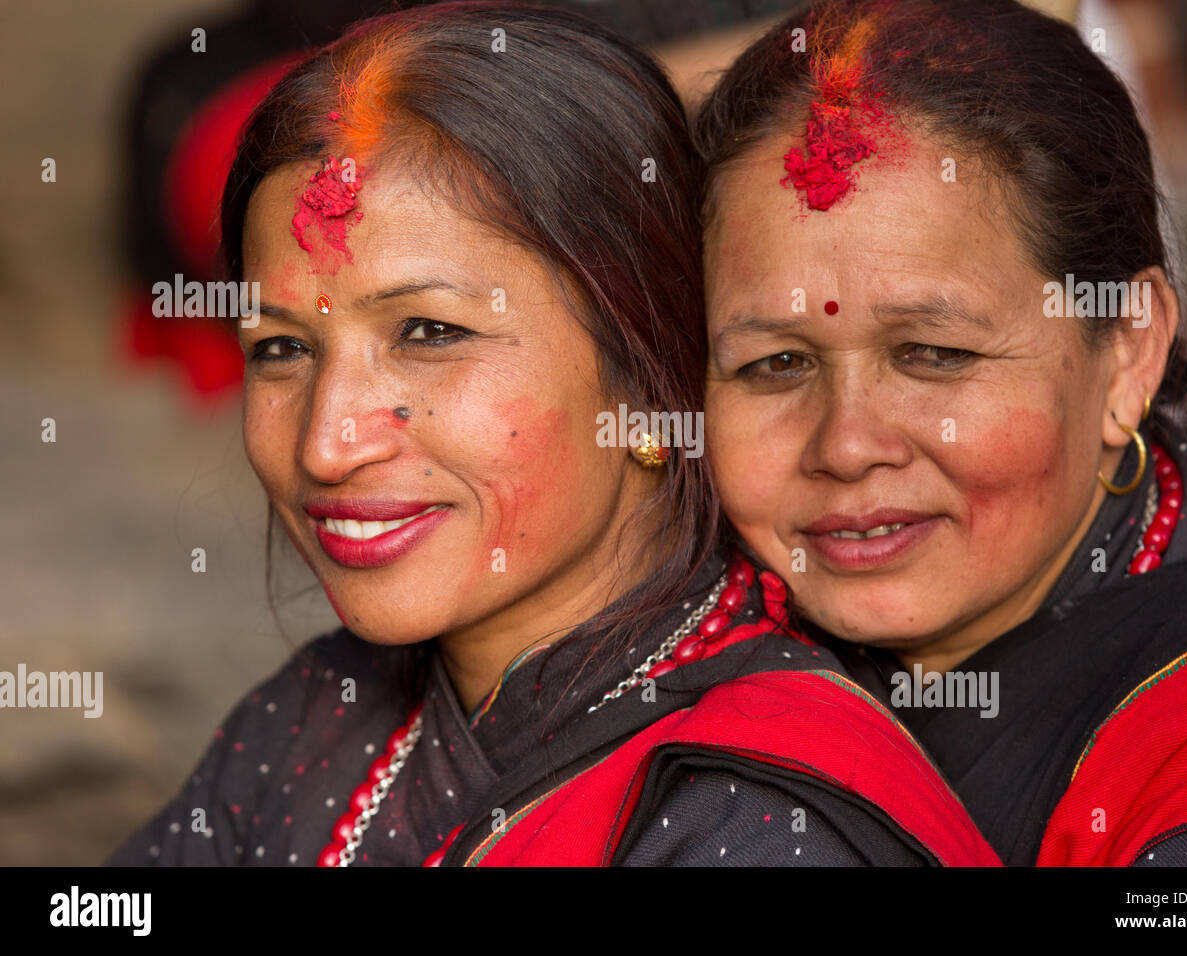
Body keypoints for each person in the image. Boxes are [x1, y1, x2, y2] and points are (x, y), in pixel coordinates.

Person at [105, 2, 998, 867]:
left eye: (431, 333)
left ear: (653, 371)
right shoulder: (315, 721)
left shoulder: (760, 826)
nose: (326, 446)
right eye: (283, 347)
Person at [696, 0, 1187, 865]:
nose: (846, 443)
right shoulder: (675, 631)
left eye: (933, 353)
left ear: (1128, 353)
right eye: (775, 365)